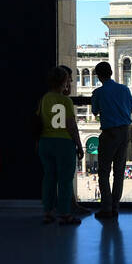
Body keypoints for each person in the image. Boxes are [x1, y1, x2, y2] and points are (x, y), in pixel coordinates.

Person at [37, 65, 84, 225]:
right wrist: (79, 145)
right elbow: (71, 125)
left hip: (45, 142)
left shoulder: (44, 99)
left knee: (49, 178)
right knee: (65, 180)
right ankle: (65, 214)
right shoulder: (66, 101)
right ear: (63, 82)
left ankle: (47, 212)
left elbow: (39, 121)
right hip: (63, 143)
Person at [90, 60, 132, 221]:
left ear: (98, 76)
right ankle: (115, 206)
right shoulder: (124, 89)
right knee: (119, 171)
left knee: (103, 172)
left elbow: (94, 111)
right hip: (125, 131)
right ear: (111, 73)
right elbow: (131, 107)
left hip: (109, 133)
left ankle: (106, 207)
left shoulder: (98, 93)